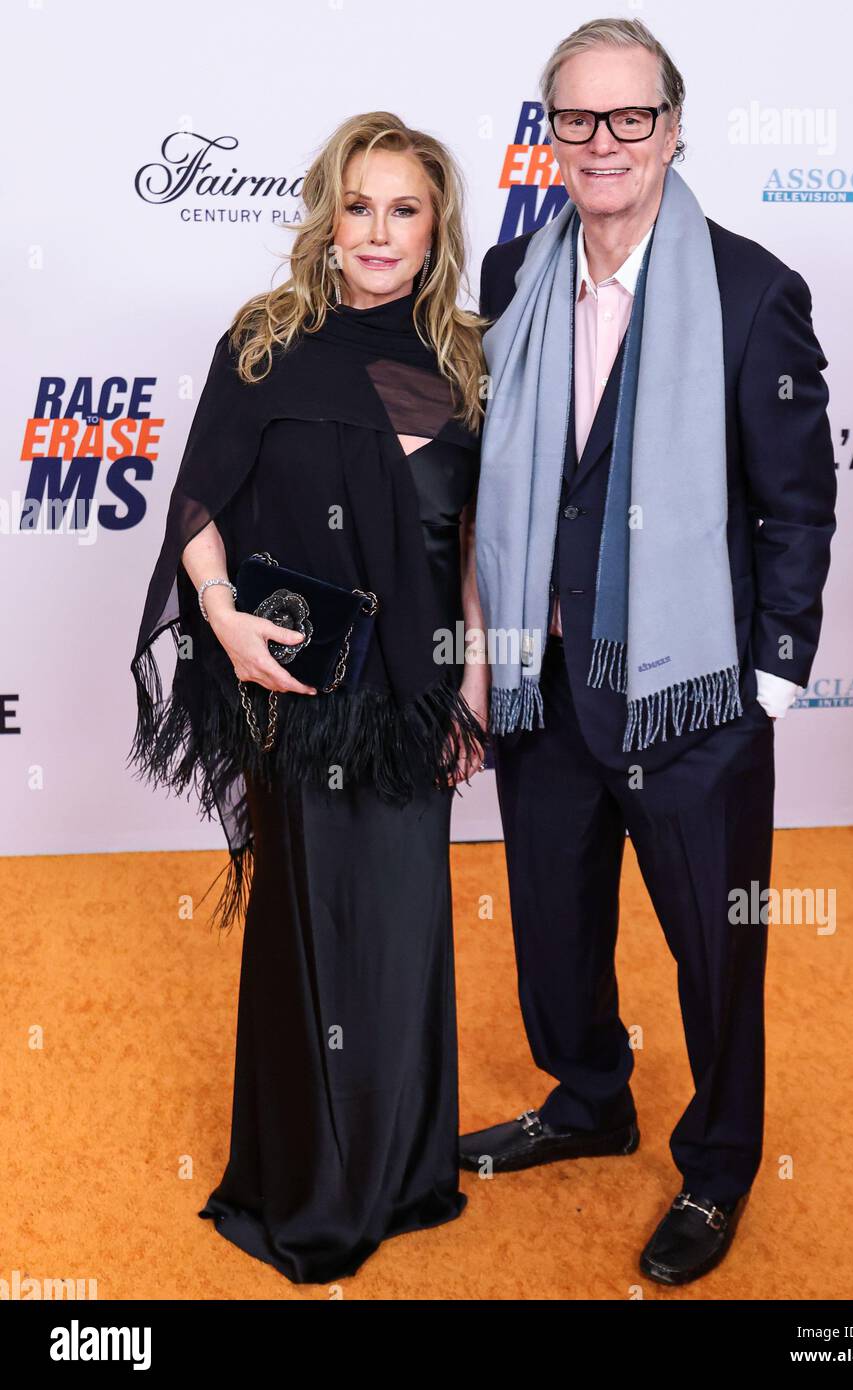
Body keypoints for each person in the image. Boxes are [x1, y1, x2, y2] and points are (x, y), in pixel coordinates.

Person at [467, 18, 836, 1286]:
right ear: (550, 134)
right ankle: (587, 1100)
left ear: (674, 128)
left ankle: (721, 1164)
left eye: (631, 117)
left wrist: (773, 671)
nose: (605, 142)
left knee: (715, 945)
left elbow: (797, 497)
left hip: (698, 693)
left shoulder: (748, 288)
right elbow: (497, 481)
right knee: (553, 926)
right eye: (578, 118)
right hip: (547, 682)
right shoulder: (512, 278)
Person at [127, 112, 490, 1284]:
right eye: (360, 204)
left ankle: (402, 1172)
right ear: (328, 216)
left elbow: (468, 541)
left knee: (401, 938)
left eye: (406, 209)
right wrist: (223, 612)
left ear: (436, 230)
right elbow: (195, 501)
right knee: (307, 933)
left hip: (413, 693)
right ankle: (311, 1190)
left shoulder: (462, 362)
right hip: (295, 685)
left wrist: (472, 687)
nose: (379, 232)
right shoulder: (266, 342)